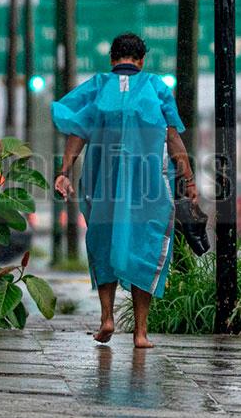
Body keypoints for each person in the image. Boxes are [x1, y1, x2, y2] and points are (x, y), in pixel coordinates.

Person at [52, 33, 198, 348]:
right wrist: (188, 178)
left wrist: (64, 172)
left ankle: (106, 318)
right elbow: (172, 137)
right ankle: (141, 333)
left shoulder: (97, 86)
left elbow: (77, 132)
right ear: (141, 60)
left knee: (103, 242)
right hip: (148, 187)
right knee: (145, 247)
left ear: (112, 59)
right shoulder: (156, 87)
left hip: (101, 183)